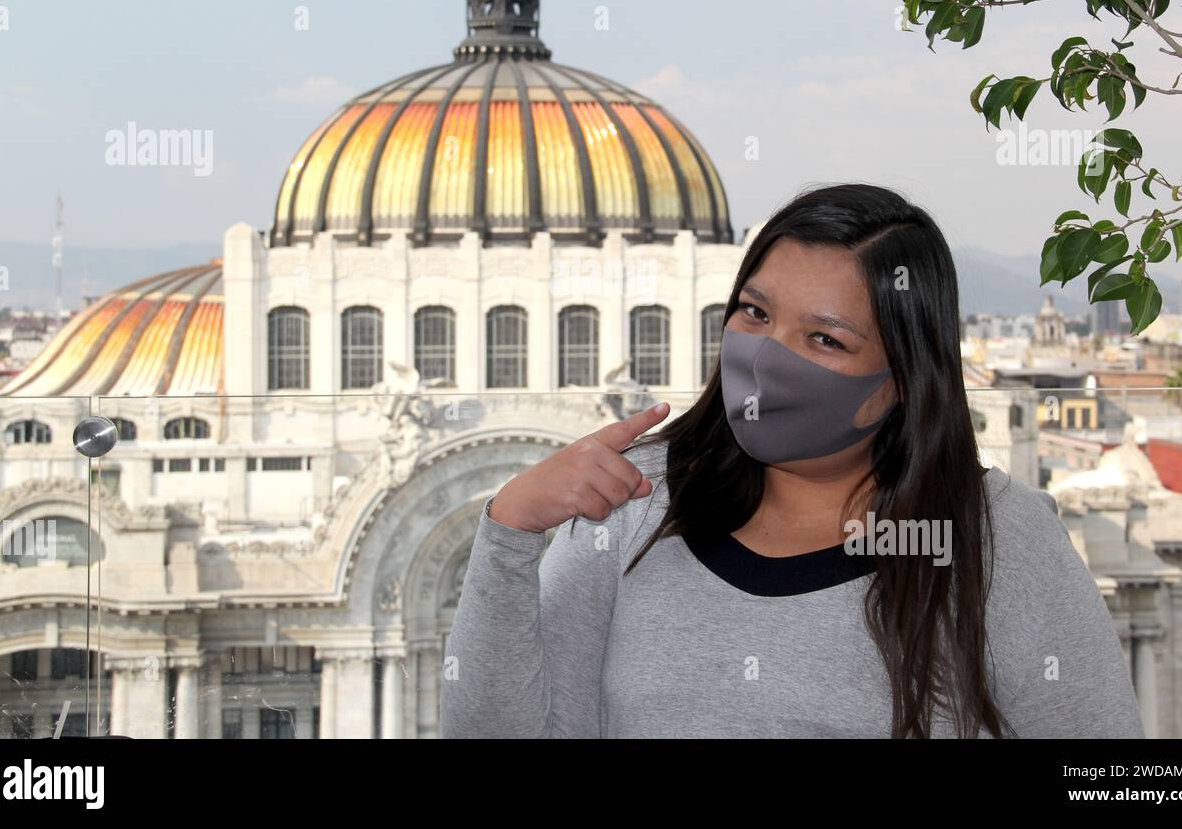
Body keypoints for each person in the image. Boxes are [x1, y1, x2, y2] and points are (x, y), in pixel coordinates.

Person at [440, 183, 1145, 738]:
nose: (769, 357)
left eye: (825, 340)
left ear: (903, 379)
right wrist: (510, 529)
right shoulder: (631, 500)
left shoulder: (996, 536)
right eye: (755, 314)